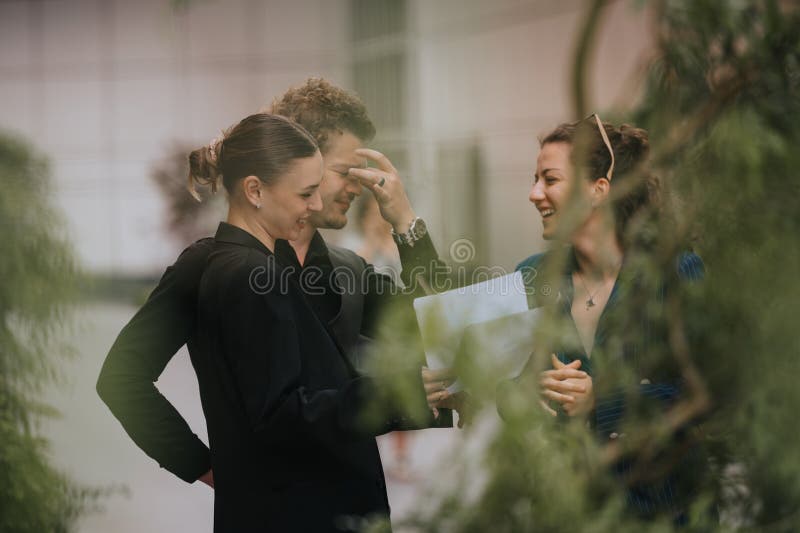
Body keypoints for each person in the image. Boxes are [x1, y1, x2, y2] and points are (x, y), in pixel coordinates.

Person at [96, 79, 451, 493]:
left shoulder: (347, 269)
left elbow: (439, 318)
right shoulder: (209, 267)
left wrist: (406, 223)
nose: (359, 187)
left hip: (360, 505)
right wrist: (201, 465)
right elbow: (122, 376)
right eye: (345, 172)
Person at [504, 115, 705, 522]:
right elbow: (501, 381)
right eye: (534, 179)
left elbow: (707, 393)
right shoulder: (529, 276)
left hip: (660, 514)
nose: (533, 193)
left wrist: (603, 401)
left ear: (599, 190)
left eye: (550, 179)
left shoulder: (676, 273)